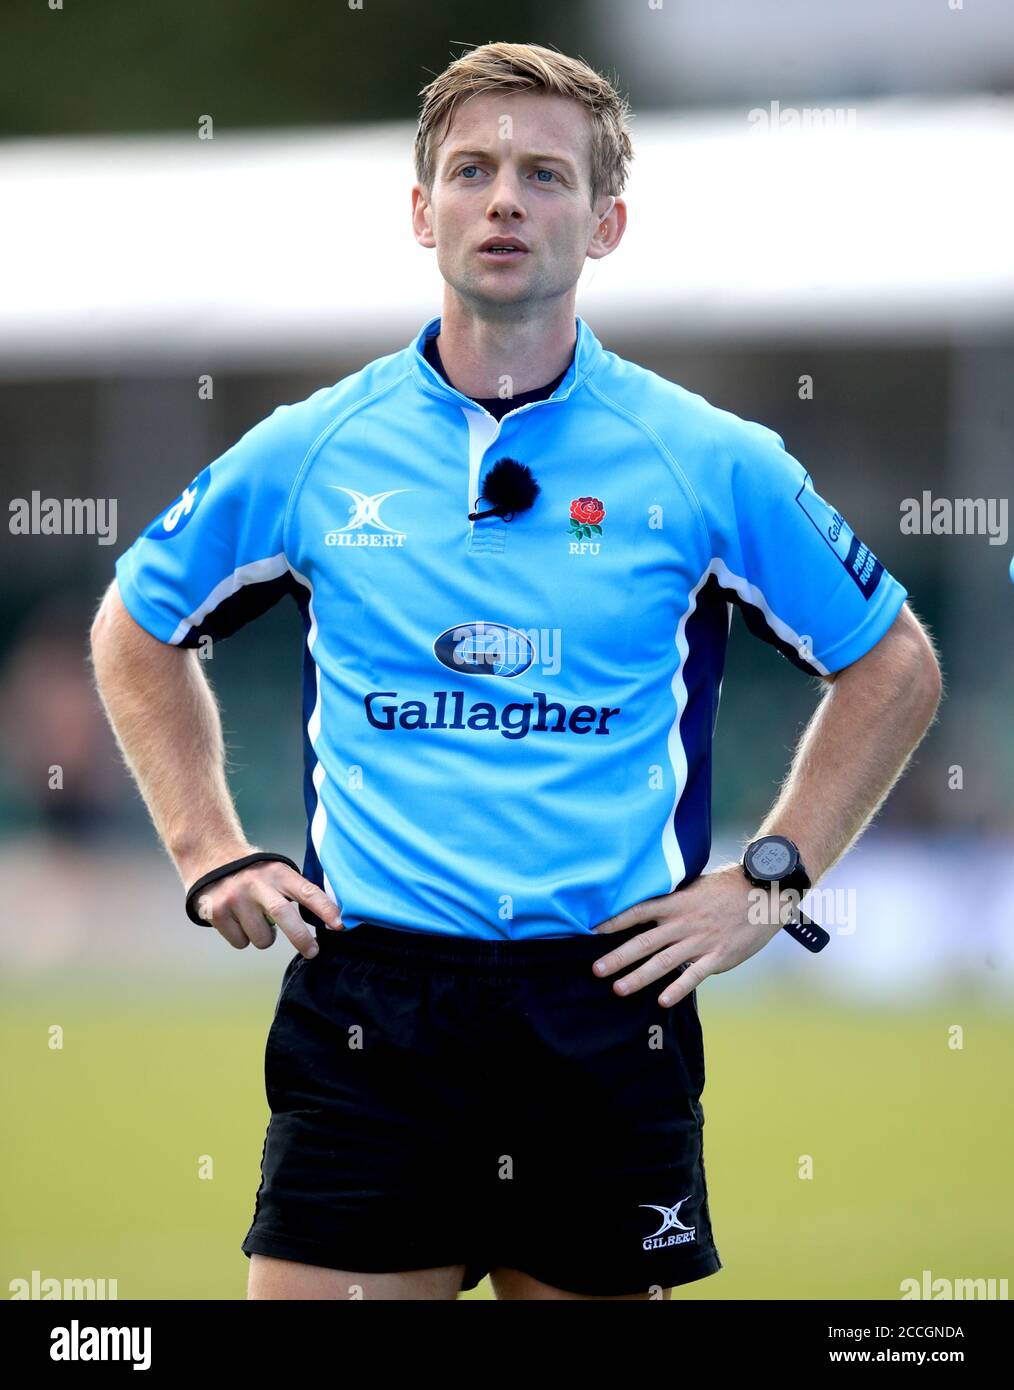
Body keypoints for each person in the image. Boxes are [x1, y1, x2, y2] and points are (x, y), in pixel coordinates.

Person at [90, 41, 942, 1301]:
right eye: (473, 169)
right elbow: (134, 623)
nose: (504, 199)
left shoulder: (709, 458)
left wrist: (769, 883)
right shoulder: (316, 447)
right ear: (421, 211)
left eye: (545, 175)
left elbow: (895, 664)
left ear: (604, 222)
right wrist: (209, 848)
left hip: (604, 1001)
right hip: (373, 1005)